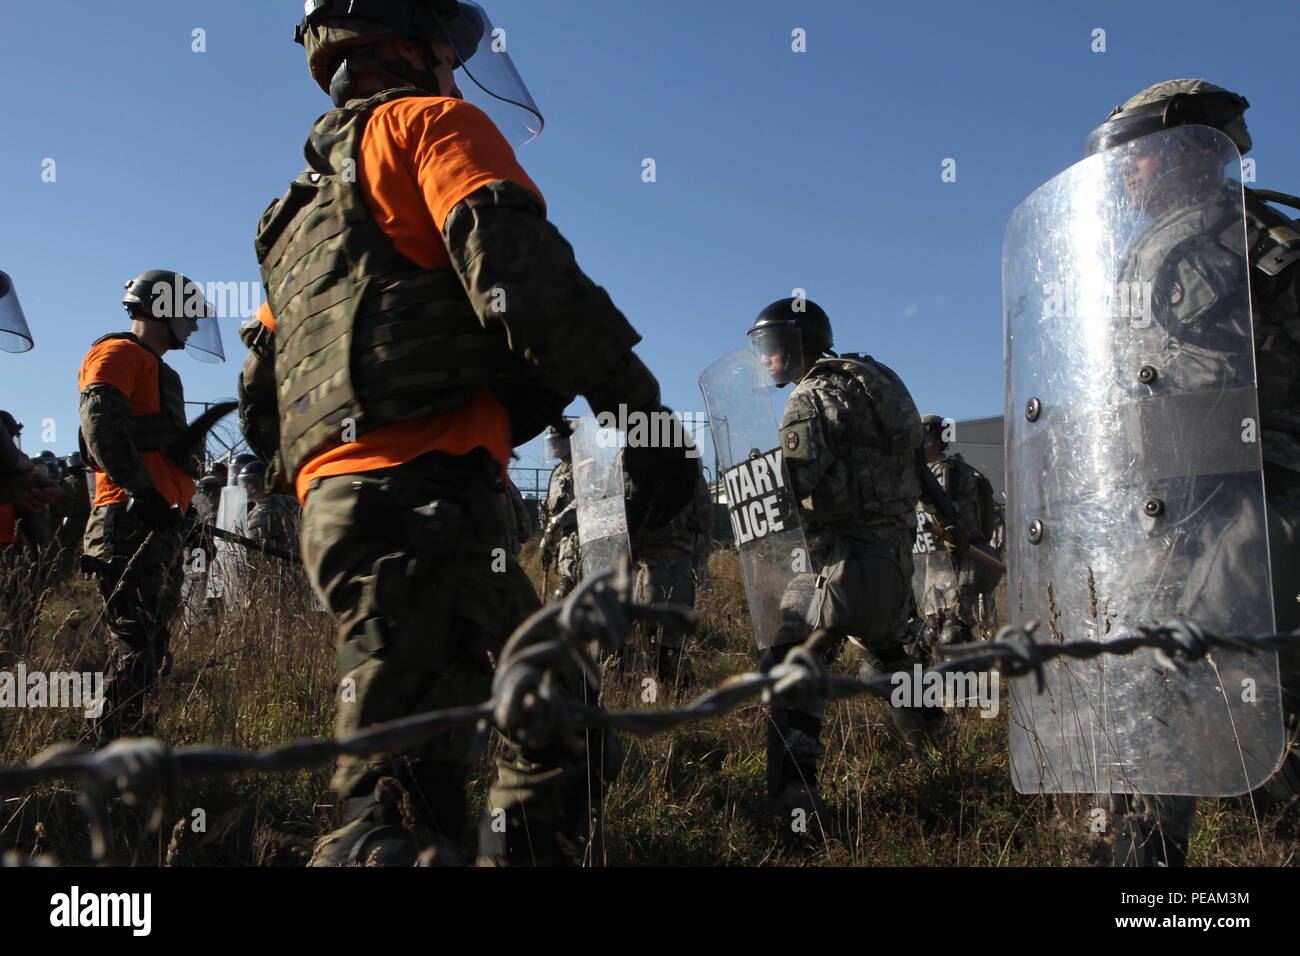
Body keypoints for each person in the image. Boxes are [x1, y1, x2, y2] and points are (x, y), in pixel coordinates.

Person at [241, 0, 695, 866]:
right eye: (448, 49)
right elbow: (520, 273)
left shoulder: (295, 220)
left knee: (425, 758)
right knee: (555, 720)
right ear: (408, 46)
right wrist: (644, 420)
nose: (456, 68)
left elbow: (262, 393)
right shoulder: (431, 125)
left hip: (338, 510)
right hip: (430, 487)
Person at [1076, 79, 1300, 866]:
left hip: (1228, 504)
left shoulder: (1209, 243)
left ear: (1186, 149)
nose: (1127, 174)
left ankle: (1145, 877)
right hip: (1195, 507)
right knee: (1224, 684)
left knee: (1164, 688)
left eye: (1138, 156)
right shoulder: (1259, 234)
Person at [749, 297, 948, 822]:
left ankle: (793, 799)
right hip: (893, 560)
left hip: (840, 563)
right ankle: (938, 746)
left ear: (797, 344)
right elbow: (914, 466)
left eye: (771, 348)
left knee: (788, 663)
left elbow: (797, 486)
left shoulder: (807, 399)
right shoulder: (875, 382)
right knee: (886, 651)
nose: (767, 360)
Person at [77, 270, 222, 741]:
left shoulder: (162, 371)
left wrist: (185, 516)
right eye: (189, 316)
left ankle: (129, 743)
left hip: (156, 523)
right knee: (136, 644)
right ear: (162, 308)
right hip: (127, 519)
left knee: (152, 645)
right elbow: (100, 425)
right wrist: (143, 493)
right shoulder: (118, 354)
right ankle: (106, 752)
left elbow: (163, 458)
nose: (195, 327)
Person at [911, 414, 997, 651]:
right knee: (931, 634)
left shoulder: (951, 471)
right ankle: (935, 687)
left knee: (954, 633)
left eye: (924, 436)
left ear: (935, 438)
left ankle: (964, 687)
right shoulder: (917, 475)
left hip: (954, 566)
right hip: (928, 567)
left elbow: (957, 520)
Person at [631, 464, 711, 685]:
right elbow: (704, 520)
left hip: (655, 566)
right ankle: (673, 691)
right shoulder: (689, 470)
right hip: (672, 565)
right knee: (669, 639)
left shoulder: (634, 467)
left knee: (651, 638)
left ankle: (659, 691)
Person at [538, 423, 581, 601]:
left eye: (556, 441)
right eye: (550, 442)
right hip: (562, 542)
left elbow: (584, 500)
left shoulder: (582, 467)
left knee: (565, 594)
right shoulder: (556, 473)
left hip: (579, 537)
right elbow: (550, 510)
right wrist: (546, 543)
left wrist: (557, 522)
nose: (552, 446)